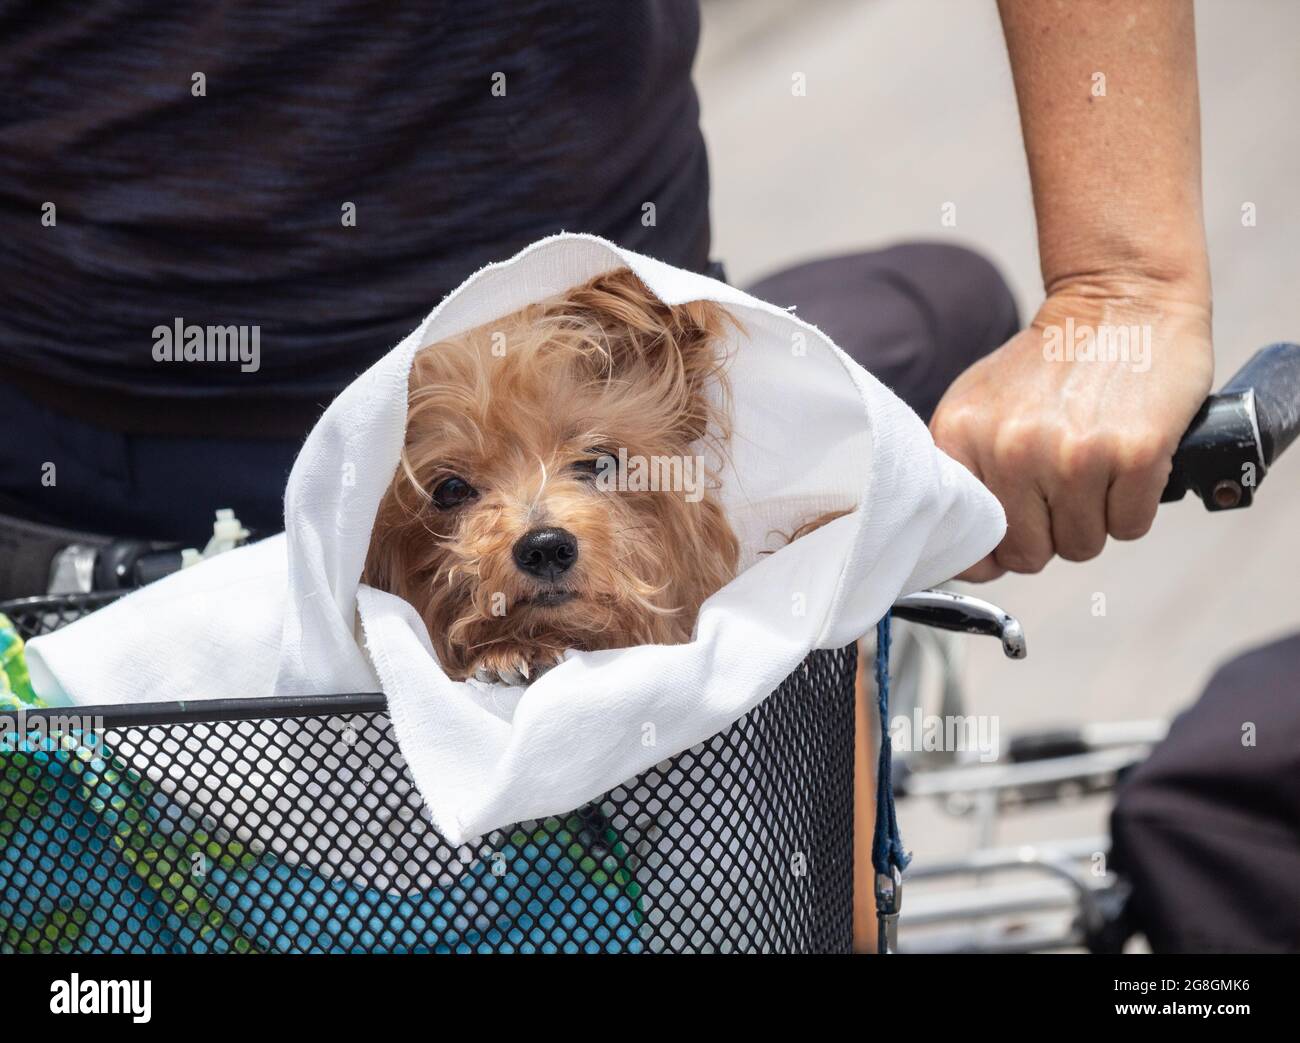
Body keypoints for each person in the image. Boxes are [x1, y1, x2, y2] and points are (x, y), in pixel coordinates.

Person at [5, 1, 1273, 953]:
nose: (541, 526)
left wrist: (1121, 285)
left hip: (618, 283)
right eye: (454, 494)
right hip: (69, 429)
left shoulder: (679, 393)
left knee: (939, 304)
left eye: (595, 471)